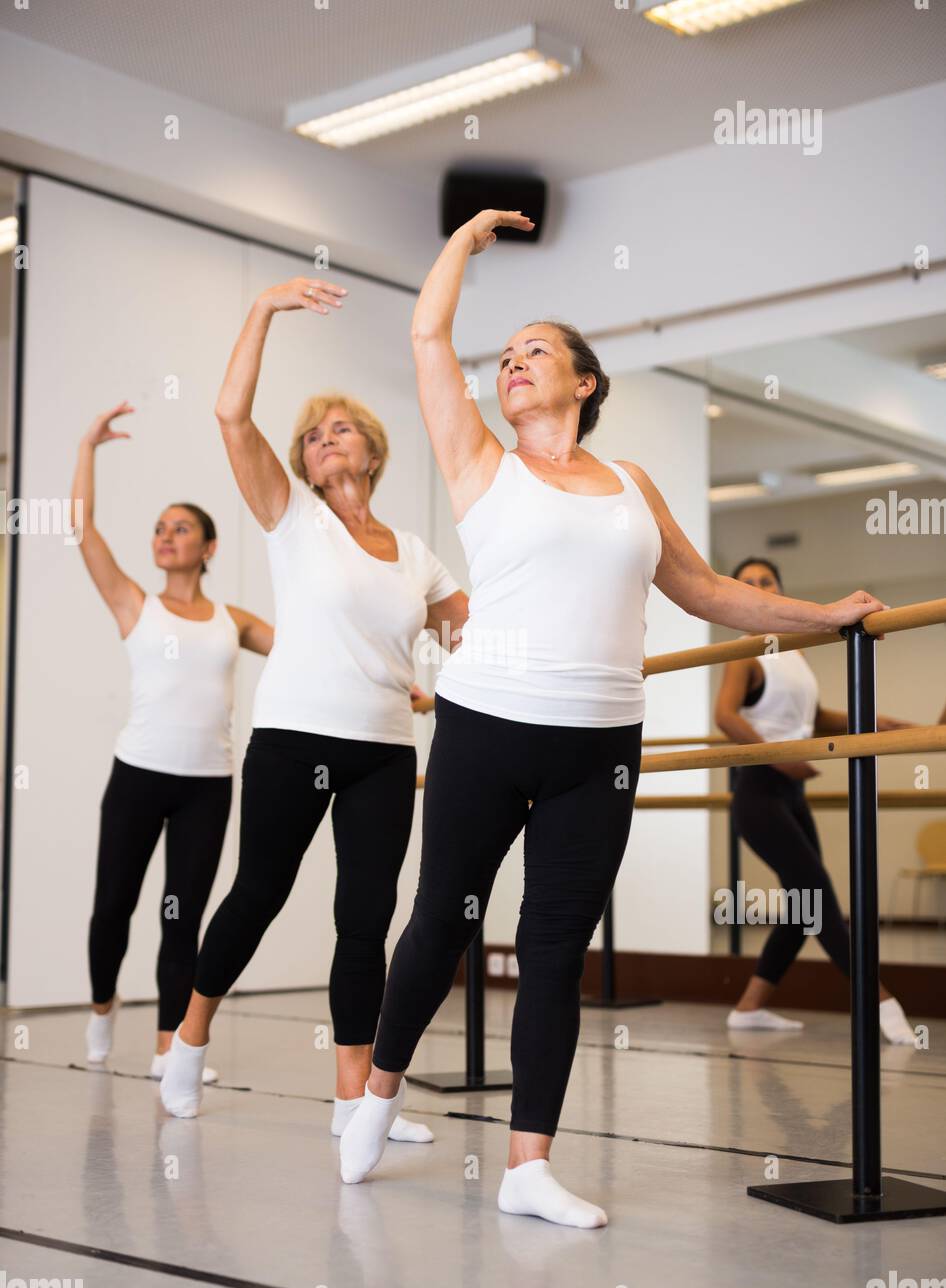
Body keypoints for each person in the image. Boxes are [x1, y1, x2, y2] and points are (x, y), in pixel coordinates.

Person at [337, 207, 891, 1228]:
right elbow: (426, 339)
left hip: (601, 746)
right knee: (437, 924)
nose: (511, 365)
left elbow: (706, 588)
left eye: (533, 351)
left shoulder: (631, 483)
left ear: (583, 383)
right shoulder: (479, 462)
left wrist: (823, 615)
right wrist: (460, 243)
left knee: (555, 946)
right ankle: (377, 1088)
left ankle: (527, 1167)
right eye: (502, 356)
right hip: (485, 726)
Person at [159, 277, 468, 1140]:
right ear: (302, 462)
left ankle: (352, 1101)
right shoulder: (292, 516)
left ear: (370, 452)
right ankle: (187, 1040)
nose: (324, 440)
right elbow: (229, 415)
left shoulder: (414, 553)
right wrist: (260, 308)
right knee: (259, 890)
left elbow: (475, 632)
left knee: (365, 918)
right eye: (311, 435)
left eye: (340, 430)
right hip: (294, 737)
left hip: (381, 747)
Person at [73, 402, 272, 1080]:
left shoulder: (232, 619)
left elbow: (307, 653)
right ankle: (103, 1008)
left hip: (208, 785)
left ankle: (167, 1043)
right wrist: (87, 447)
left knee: (181, 916)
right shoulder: (135, 602)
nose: (165, 536)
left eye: (180, 528)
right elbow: (83, 528)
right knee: (113, 909)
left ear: (207, 547)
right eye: (159, 528)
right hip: (138, 776)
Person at [715, 556, 917, 1044]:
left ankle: (749, 1008)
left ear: (780, 590)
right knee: (820, 898)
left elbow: (815, 717)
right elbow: (725, 716)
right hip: (759, 793)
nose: (759, 587)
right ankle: (881, 1001)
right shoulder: (745, 651)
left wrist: (889, 726)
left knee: (804, 903)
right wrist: (779, 758)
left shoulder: (796, 651)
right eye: (748, 584)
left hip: (791, 792)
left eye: (767, 581)